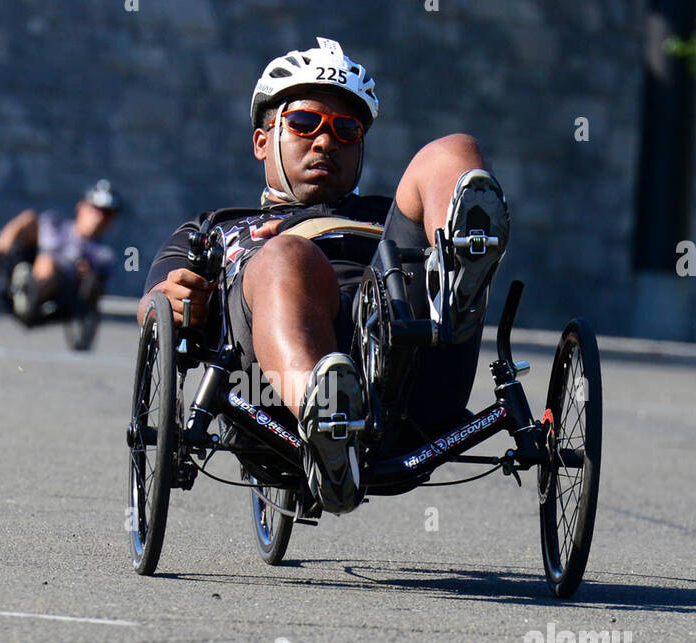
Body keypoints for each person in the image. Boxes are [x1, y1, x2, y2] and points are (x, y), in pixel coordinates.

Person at [140, 37, 509, 514]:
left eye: (346, 129)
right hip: (271, 397)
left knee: (453, 150)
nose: (324, 140)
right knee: (287, 254)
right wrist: (178, 301)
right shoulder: (218, 228)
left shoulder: (390, 213)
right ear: (262, 140)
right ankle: (326, 419)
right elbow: (153, 305)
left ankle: (457, 280)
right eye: (304, 123)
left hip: (411, 367)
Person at [0, 179, 120, 330]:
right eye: (94, 209)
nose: (98, 217)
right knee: (29, 218)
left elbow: (96, 290)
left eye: (106, 213)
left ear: (111, 219)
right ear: (81, 207)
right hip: (30, 259)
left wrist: (87, 273)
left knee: (47, 261)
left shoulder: (103, 254)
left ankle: (27, 290)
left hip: (58, 288)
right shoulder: (56, 223)